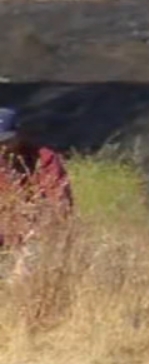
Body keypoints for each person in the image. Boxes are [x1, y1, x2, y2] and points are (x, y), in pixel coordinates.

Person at [0, 108, 73, 284]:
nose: (3, 147)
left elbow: (60, 205)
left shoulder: (44, 159)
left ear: (19, 135)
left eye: (6, 141)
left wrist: (33, 236)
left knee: (27, 270)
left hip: (32, 233)